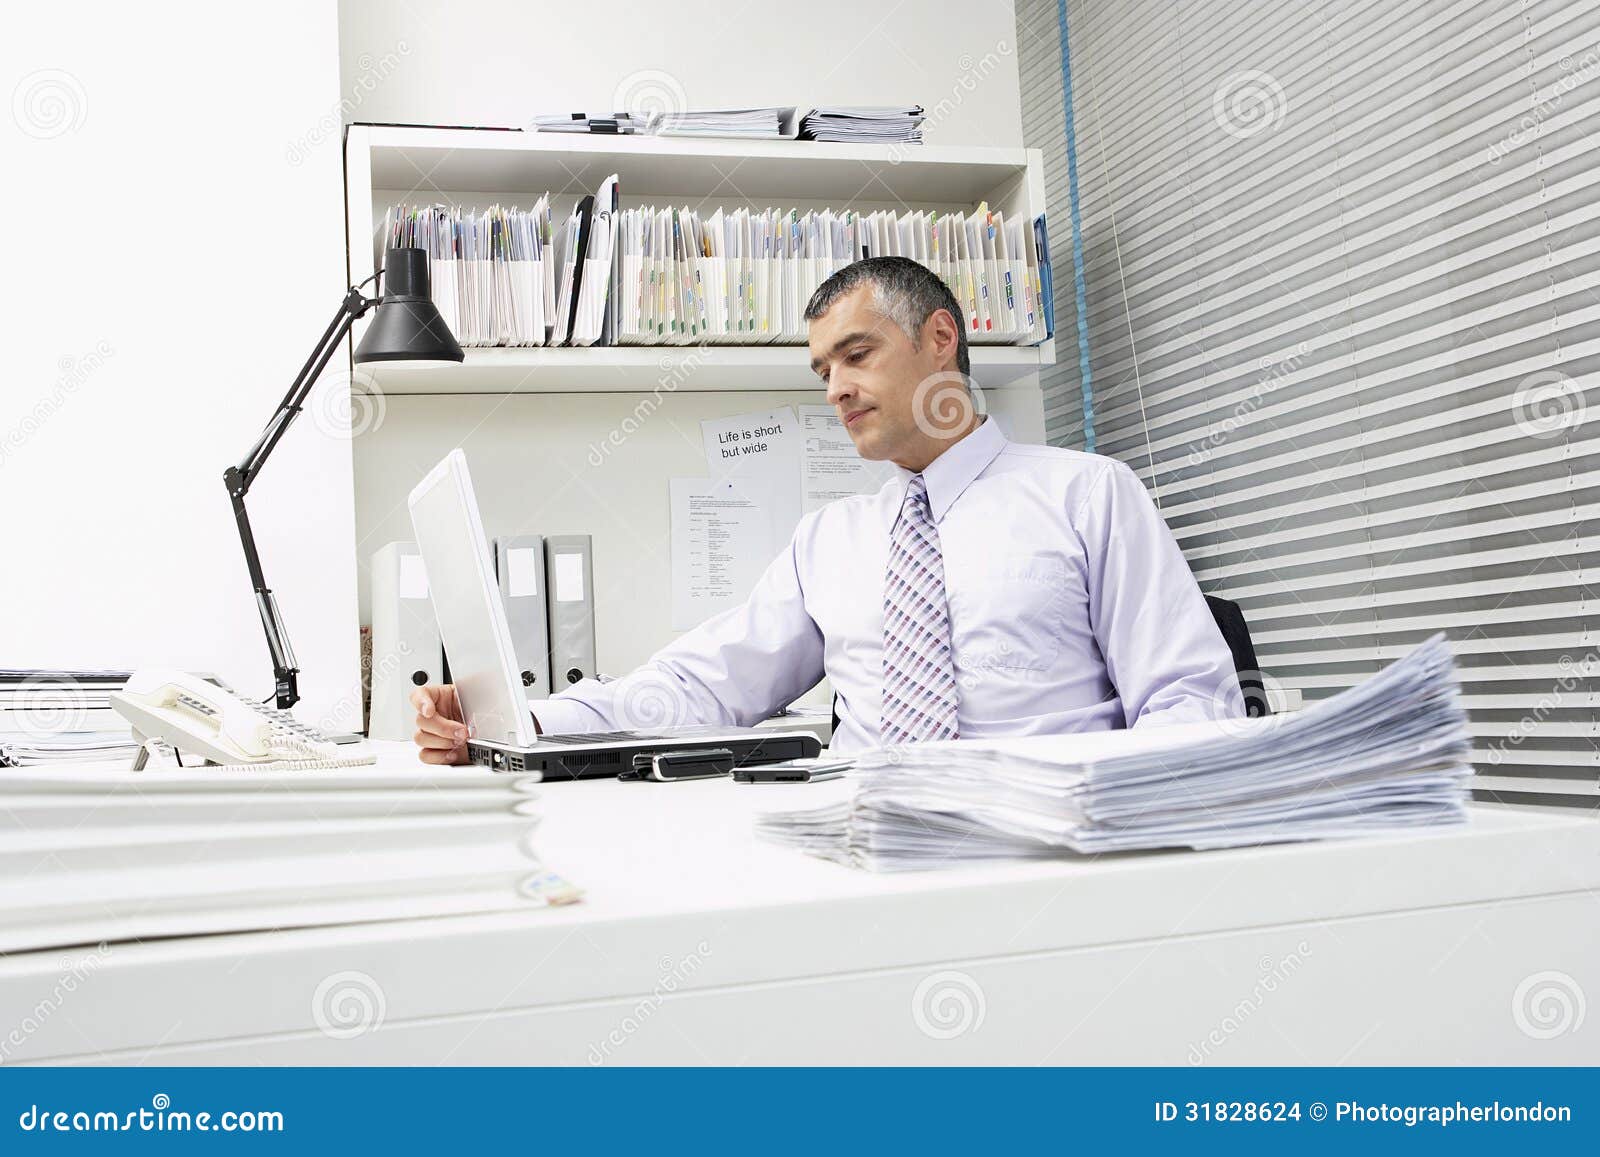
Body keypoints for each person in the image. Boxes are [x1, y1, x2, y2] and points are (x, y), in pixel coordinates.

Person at [413, 256, 1243, 764]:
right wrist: (516, 717)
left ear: (941, 340)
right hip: (862, 851)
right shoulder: (832, 540)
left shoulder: (1087, 493)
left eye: (857, 354)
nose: (837, 388)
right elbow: (702, 683)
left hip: (1045, 853)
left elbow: (1193, 708)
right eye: (821, 370)